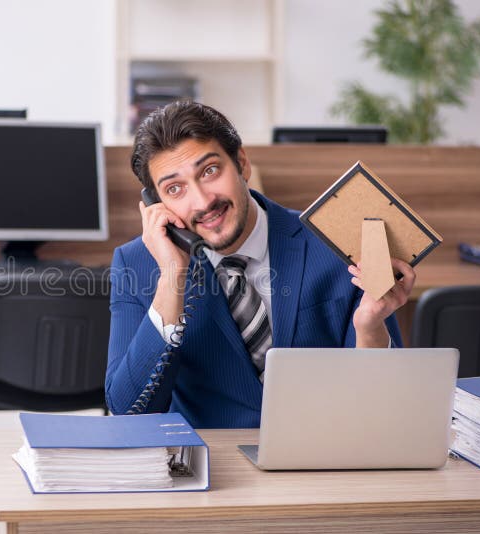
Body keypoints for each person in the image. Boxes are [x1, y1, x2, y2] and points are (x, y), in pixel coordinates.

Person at [105, 101, 415, 428]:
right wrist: (172, 279)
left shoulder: (333, 243)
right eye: (174, 189)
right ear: (158, 204)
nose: (202, 201)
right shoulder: (135, 264)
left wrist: (369, 328)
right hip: (214, 466)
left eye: (209, 171)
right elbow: (130, 412)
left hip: (325, 455)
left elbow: (383, 404)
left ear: (241, 163)